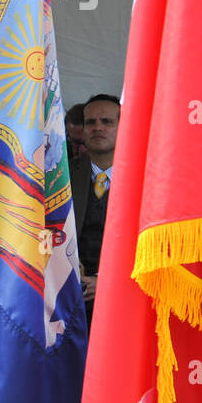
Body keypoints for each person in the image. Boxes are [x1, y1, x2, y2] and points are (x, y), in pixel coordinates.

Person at [70, 93, 120, 324]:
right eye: (90, 122)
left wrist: (108, 281)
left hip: (123, 299)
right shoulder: (61, 176)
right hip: (69, 300)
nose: (97, 127)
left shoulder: (146, 179)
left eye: (107, 122)